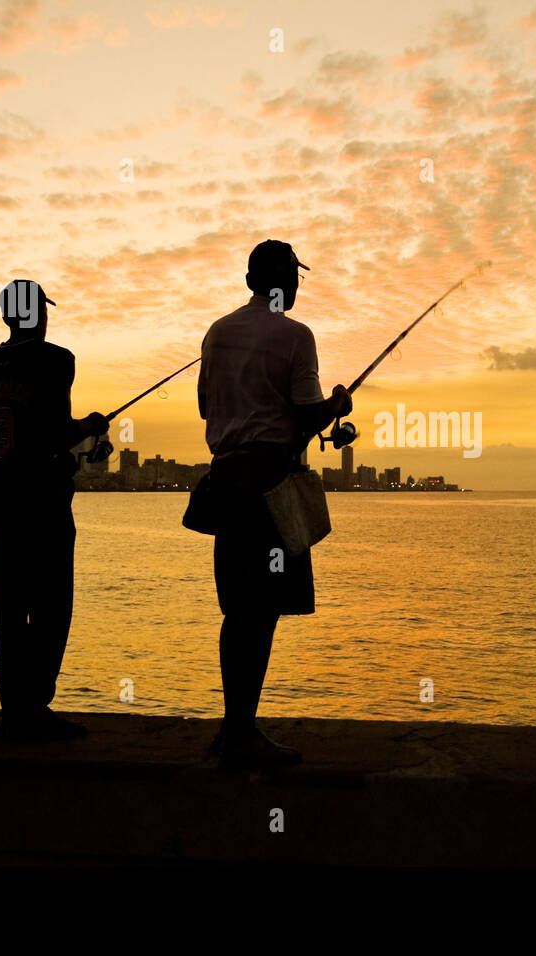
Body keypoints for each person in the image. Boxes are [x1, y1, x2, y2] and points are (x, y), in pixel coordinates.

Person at [198, 240, 351, 770]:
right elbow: (309, 415)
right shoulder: (295, 335)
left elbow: (204, 406)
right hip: (267, 489)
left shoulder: (218, 332)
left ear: (249, 282)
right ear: (288, 283)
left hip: (226, 485)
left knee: (237, 609)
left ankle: (232, 727)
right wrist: (339, 404)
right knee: (259, 614)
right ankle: (241, 734)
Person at [0, 279, 109, 741]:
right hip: (43, 498)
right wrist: (89, 425)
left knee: (9, 609)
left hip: (1, 495)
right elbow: (56, 430)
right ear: (38, 314)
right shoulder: (57, 361)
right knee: (52, 606)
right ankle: (35, 707)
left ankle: (15, 714)